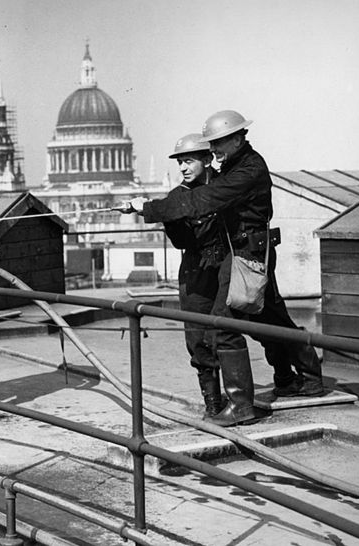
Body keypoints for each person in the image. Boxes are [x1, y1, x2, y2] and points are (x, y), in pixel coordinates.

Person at [127, 111, 324, 427]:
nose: (214, 150)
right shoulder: (232, 166)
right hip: (241, 253)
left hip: (247, 255)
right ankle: (297, 379)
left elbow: (207, 198)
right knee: (269, 318)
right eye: (211, 144)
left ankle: (244, 405)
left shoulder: (247, 170)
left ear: (238, 137)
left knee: (227, 324)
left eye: (218, 143)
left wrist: (150, 208)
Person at [161, 134, 226, 418]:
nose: (183, 168)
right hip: (197, 271)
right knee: (198, 339)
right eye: (180, 163)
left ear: (207, 159)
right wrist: (170, 220)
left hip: (227, 267)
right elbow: (181, 241)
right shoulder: (177, 197)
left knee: (229, 333)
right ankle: (213, 402)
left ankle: (287, 376)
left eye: (188, 161)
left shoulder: (226, 188)